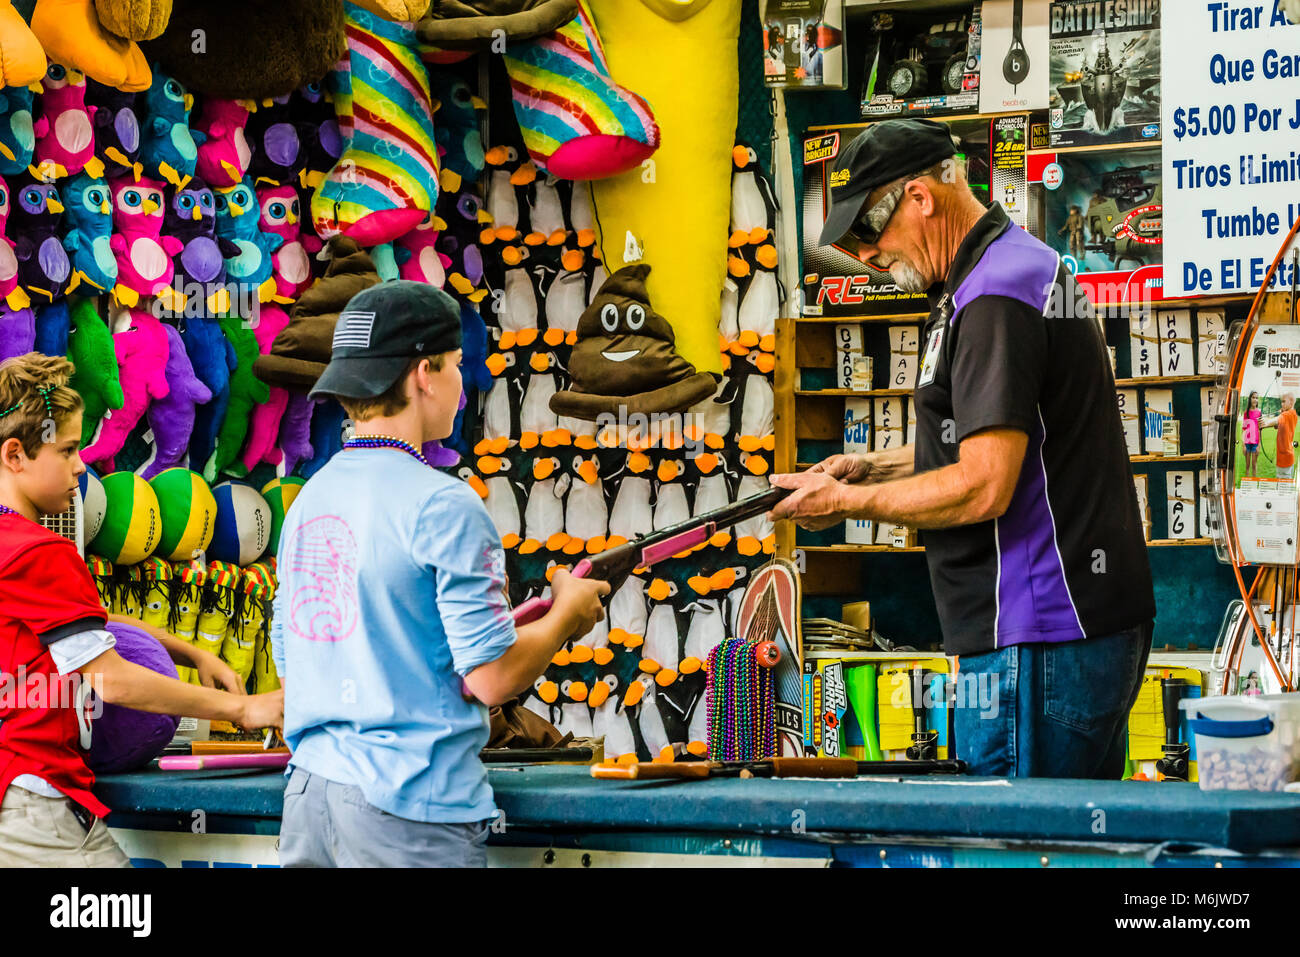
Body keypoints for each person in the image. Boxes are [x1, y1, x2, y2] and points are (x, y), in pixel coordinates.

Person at [770, 118, 1155, 779]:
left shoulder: (995, 295)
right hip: (1056, 635)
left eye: (869, 231)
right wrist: (864, 466)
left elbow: (984, 482)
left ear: (920, 198)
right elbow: (994, 438)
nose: (867, 255)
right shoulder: (1000, 271)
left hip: (1038, 637)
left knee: (1017, 852)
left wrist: (851, 500)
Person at [273, 281, 608, 868]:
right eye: (456, 364)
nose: (462, 381)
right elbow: (492, 678)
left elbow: (294, 651)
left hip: (310, 799)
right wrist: (564, 618)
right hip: (408, 810)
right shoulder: (446, 505)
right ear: (423, 372)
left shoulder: (309, 498)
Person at [0, 353, 283, 867]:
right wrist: (243, 709)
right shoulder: (41, 551)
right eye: (66, 451)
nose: (81, 465)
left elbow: (83, 624)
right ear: (15, 454)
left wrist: (191, 650)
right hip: (34, 806)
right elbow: (113, 681)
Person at [1260, 393, 1297, 481]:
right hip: (1288, 457)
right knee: (1286, 485)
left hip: (1284, 459)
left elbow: (1273, 421)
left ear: (1291, 402)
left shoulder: (1286, 415)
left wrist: (1263, 423)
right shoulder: (1293, 414)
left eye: (1284, 402)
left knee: (1282, 488)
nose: (1281, 404)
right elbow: (1279, 425)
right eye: (1281, 402)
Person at [1242, 391, 1261, 478]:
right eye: (1253, 397)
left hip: (1255, 443)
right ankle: (1247, 486)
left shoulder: (1259, 412)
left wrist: (1259, 445)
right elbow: (1244, 429)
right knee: (1247, 466)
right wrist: (1243, 446)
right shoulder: (1246, 413)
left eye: (1257, 398)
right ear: (1250, 399)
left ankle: (1254, 484)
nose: (1255, 399)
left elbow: (1260, 430)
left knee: (1254, 465)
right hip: (1247, 443)